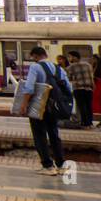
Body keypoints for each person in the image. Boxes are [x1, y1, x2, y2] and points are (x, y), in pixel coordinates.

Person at [20, 46, 67, 177]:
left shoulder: (35, 67)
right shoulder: (58, 68)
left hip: (39, 106)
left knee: (39, 135)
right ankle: (61, 165)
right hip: (54, 106)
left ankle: (47, 166)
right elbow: (67, 87)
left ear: (35, 56)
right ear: (45, 54)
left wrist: (24, 104)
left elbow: (29, 87)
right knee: (54, 134)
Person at [67, 50, 94, 129]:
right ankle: (90, 123)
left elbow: (69, 78)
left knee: (82, 106)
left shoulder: (71, 67)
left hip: (78, 89)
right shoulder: (88, 65)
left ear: (75, 57)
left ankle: (84, 123)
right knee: (89, 106)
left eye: (70, 56)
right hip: (89, 88)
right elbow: (91, 77)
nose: (69, 58)